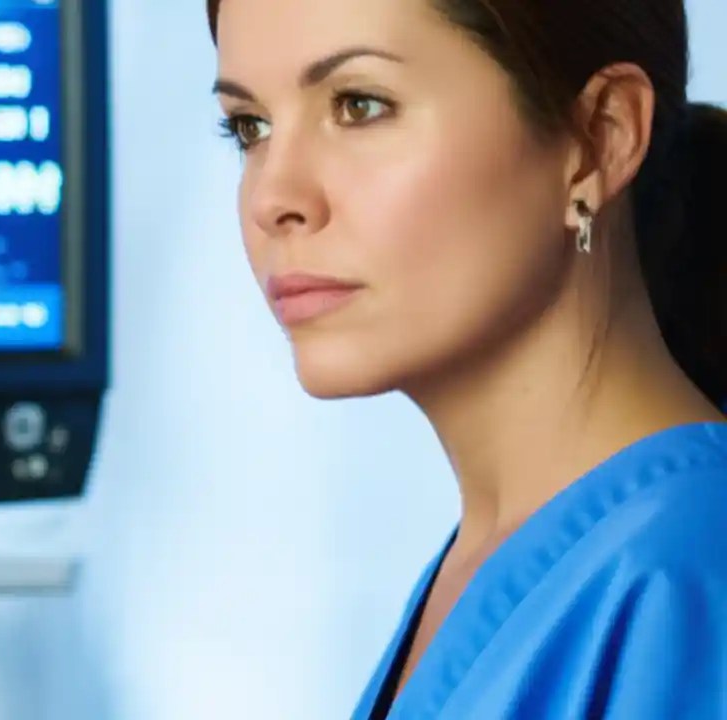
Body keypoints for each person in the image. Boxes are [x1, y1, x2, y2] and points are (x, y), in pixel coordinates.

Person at [206, 0, 727, 717]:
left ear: (599, 139)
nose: (273, 198)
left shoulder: (687, 577)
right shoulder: (500, 560)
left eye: (359, 105)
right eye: (250, 127)